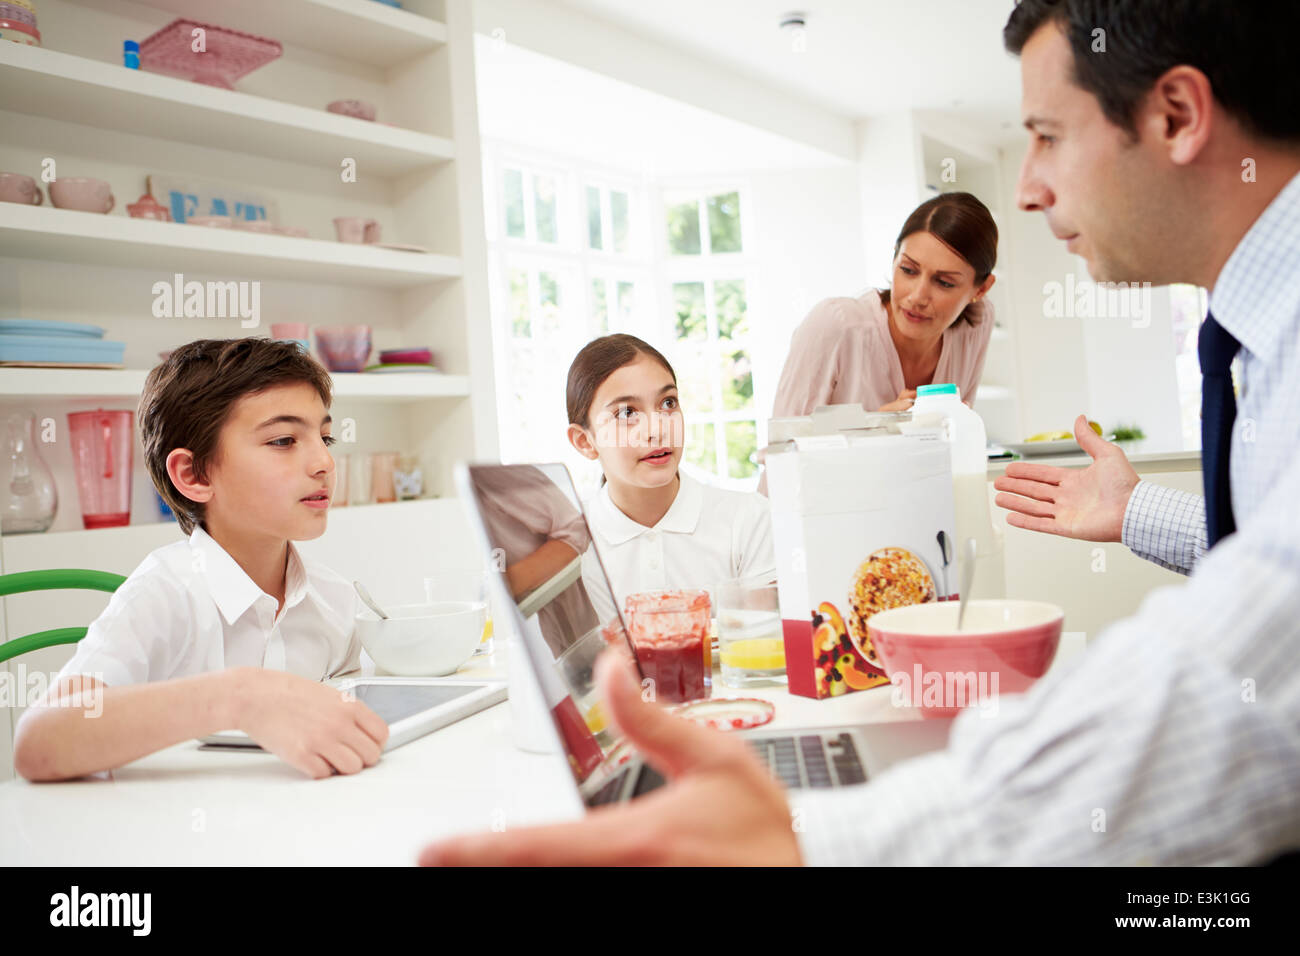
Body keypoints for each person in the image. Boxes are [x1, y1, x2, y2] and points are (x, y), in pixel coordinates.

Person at [419, 0, 1300, 865]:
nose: (1029, 187)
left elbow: (1225, 691)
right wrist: (1143, 512)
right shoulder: (1262, 337)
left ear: (1177, 115)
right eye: (908, 270)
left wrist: (808, 844)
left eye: (1047, 134)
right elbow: (1267, 569)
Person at [13, 338, 388, 782]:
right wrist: (238, 696)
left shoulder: (335, 599)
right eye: (284, 440)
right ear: (193, 475)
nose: (324, 461)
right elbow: (38, 743)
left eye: (325, 437)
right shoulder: (165, 591)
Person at [565, 334, 775, 624]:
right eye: (627, 412)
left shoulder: (750, 519)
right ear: (585, 441)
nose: (657, 429)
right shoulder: (570, 548)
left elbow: (765, 651)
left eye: (668, 403)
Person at [772, 191, 998, 418]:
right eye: (908, 270)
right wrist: (877, 429)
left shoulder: (976, 323)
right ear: (894, 258)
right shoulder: (835, 326)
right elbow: (783, 447)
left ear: (981, 289)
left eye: (944, 283)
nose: (917, 297)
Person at [471, 463, 599, 657]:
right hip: (539, 634)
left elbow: (575, 528)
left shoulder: (490, 476)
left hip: (576, 622)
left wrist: (506, 585)